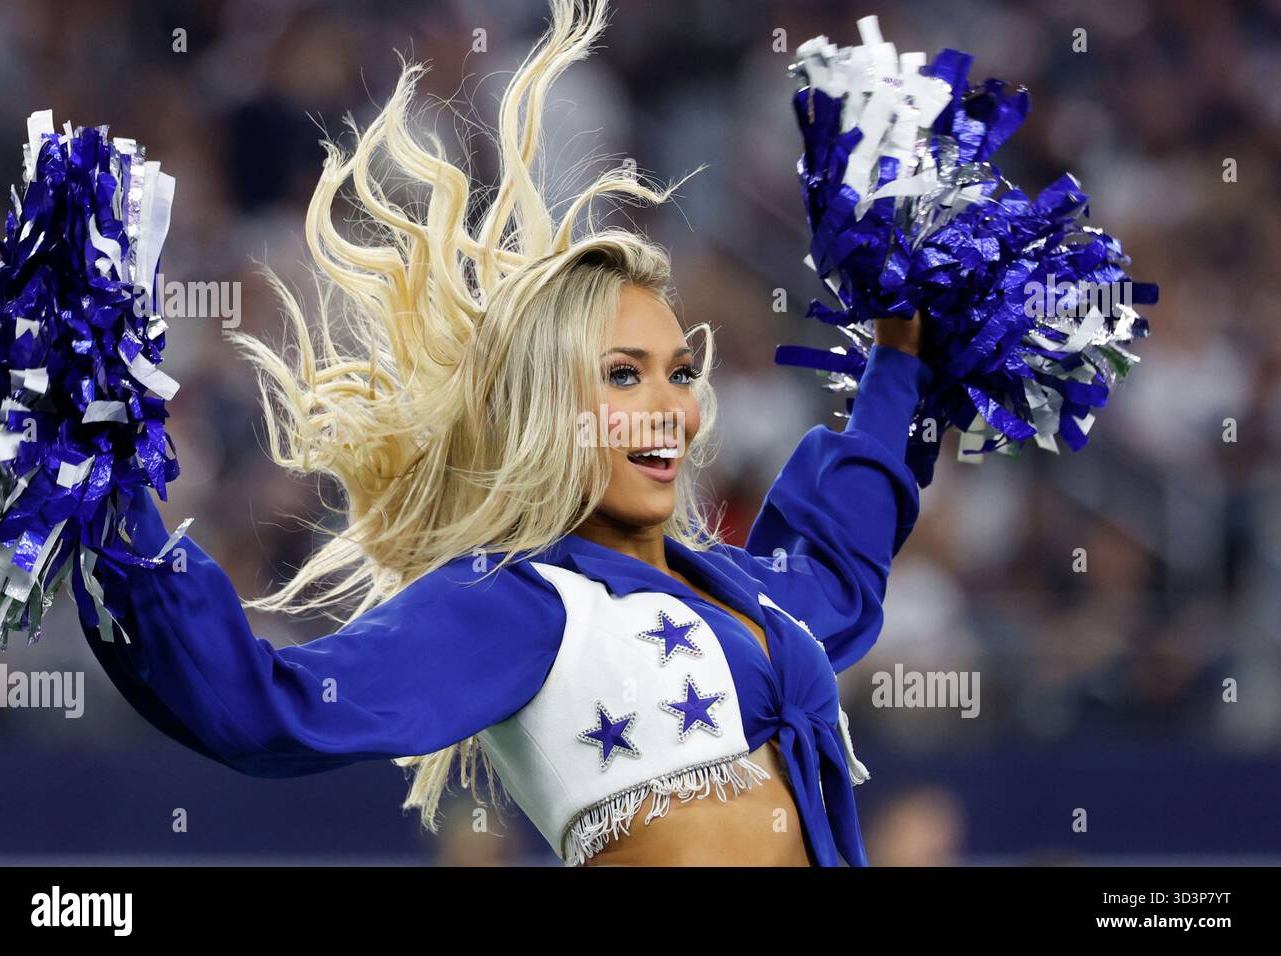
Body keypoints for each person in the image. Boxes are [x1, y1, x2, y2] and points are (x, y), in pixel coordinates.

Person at [83, 0, 933, 867]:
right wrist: (102, 480)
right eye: (622, 373)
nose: (668, 406)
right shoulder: (517, 602)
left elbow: (837, 561)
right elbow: (266, 709)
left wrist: (903, 355)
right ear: (546, 407)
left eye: (680, 373)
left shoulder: (755, 600)